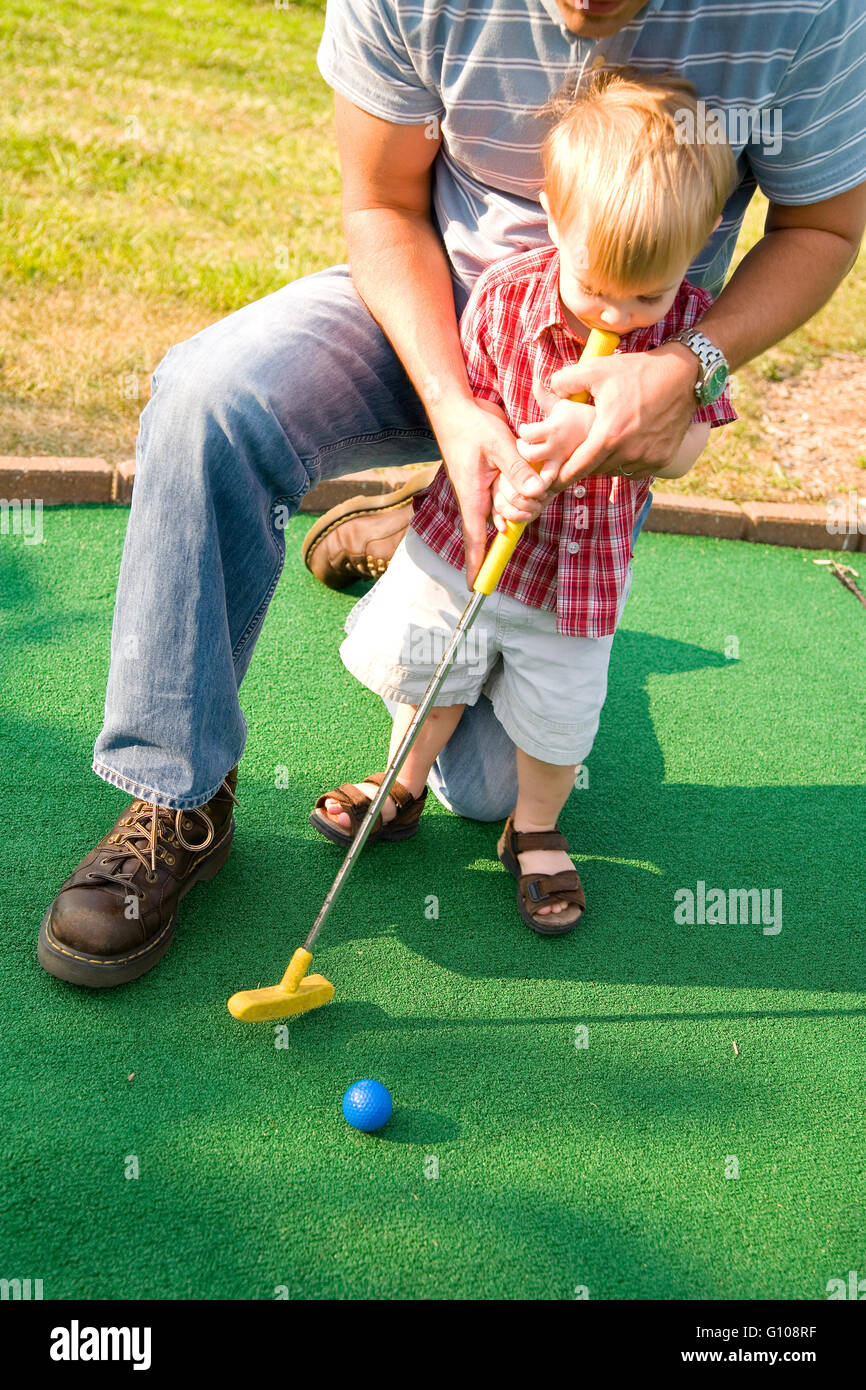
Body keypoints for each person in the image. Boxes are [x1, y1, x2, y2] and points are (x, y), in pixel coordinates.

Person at [39, 0, 866, 986]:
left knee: (482, 795)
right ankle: (173, 790)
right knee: (210, 397)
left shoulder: (805, 13)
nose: (582, 11)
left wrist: (687, 365)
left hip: (628, 385)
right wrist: (454, 409)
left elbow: (822, 225)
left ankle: (422, 530)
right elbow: (381, 205)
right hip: (440, 315)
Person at [308, 69, 736, 933]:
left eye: (644, 296)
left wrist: (651, 438)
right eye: (596, 285)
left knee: (557, 717)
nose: (613, 312)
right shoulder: (509, 296)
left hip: (574, 583)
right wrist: (514, 459)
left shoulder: (686, 332)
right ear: (555, 219)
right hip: (470, 544)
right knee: (433, 673)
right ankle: (401, 784)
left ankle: (533, 828)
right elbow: (470, 410)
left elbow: (693, 446)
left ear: (690, 258)